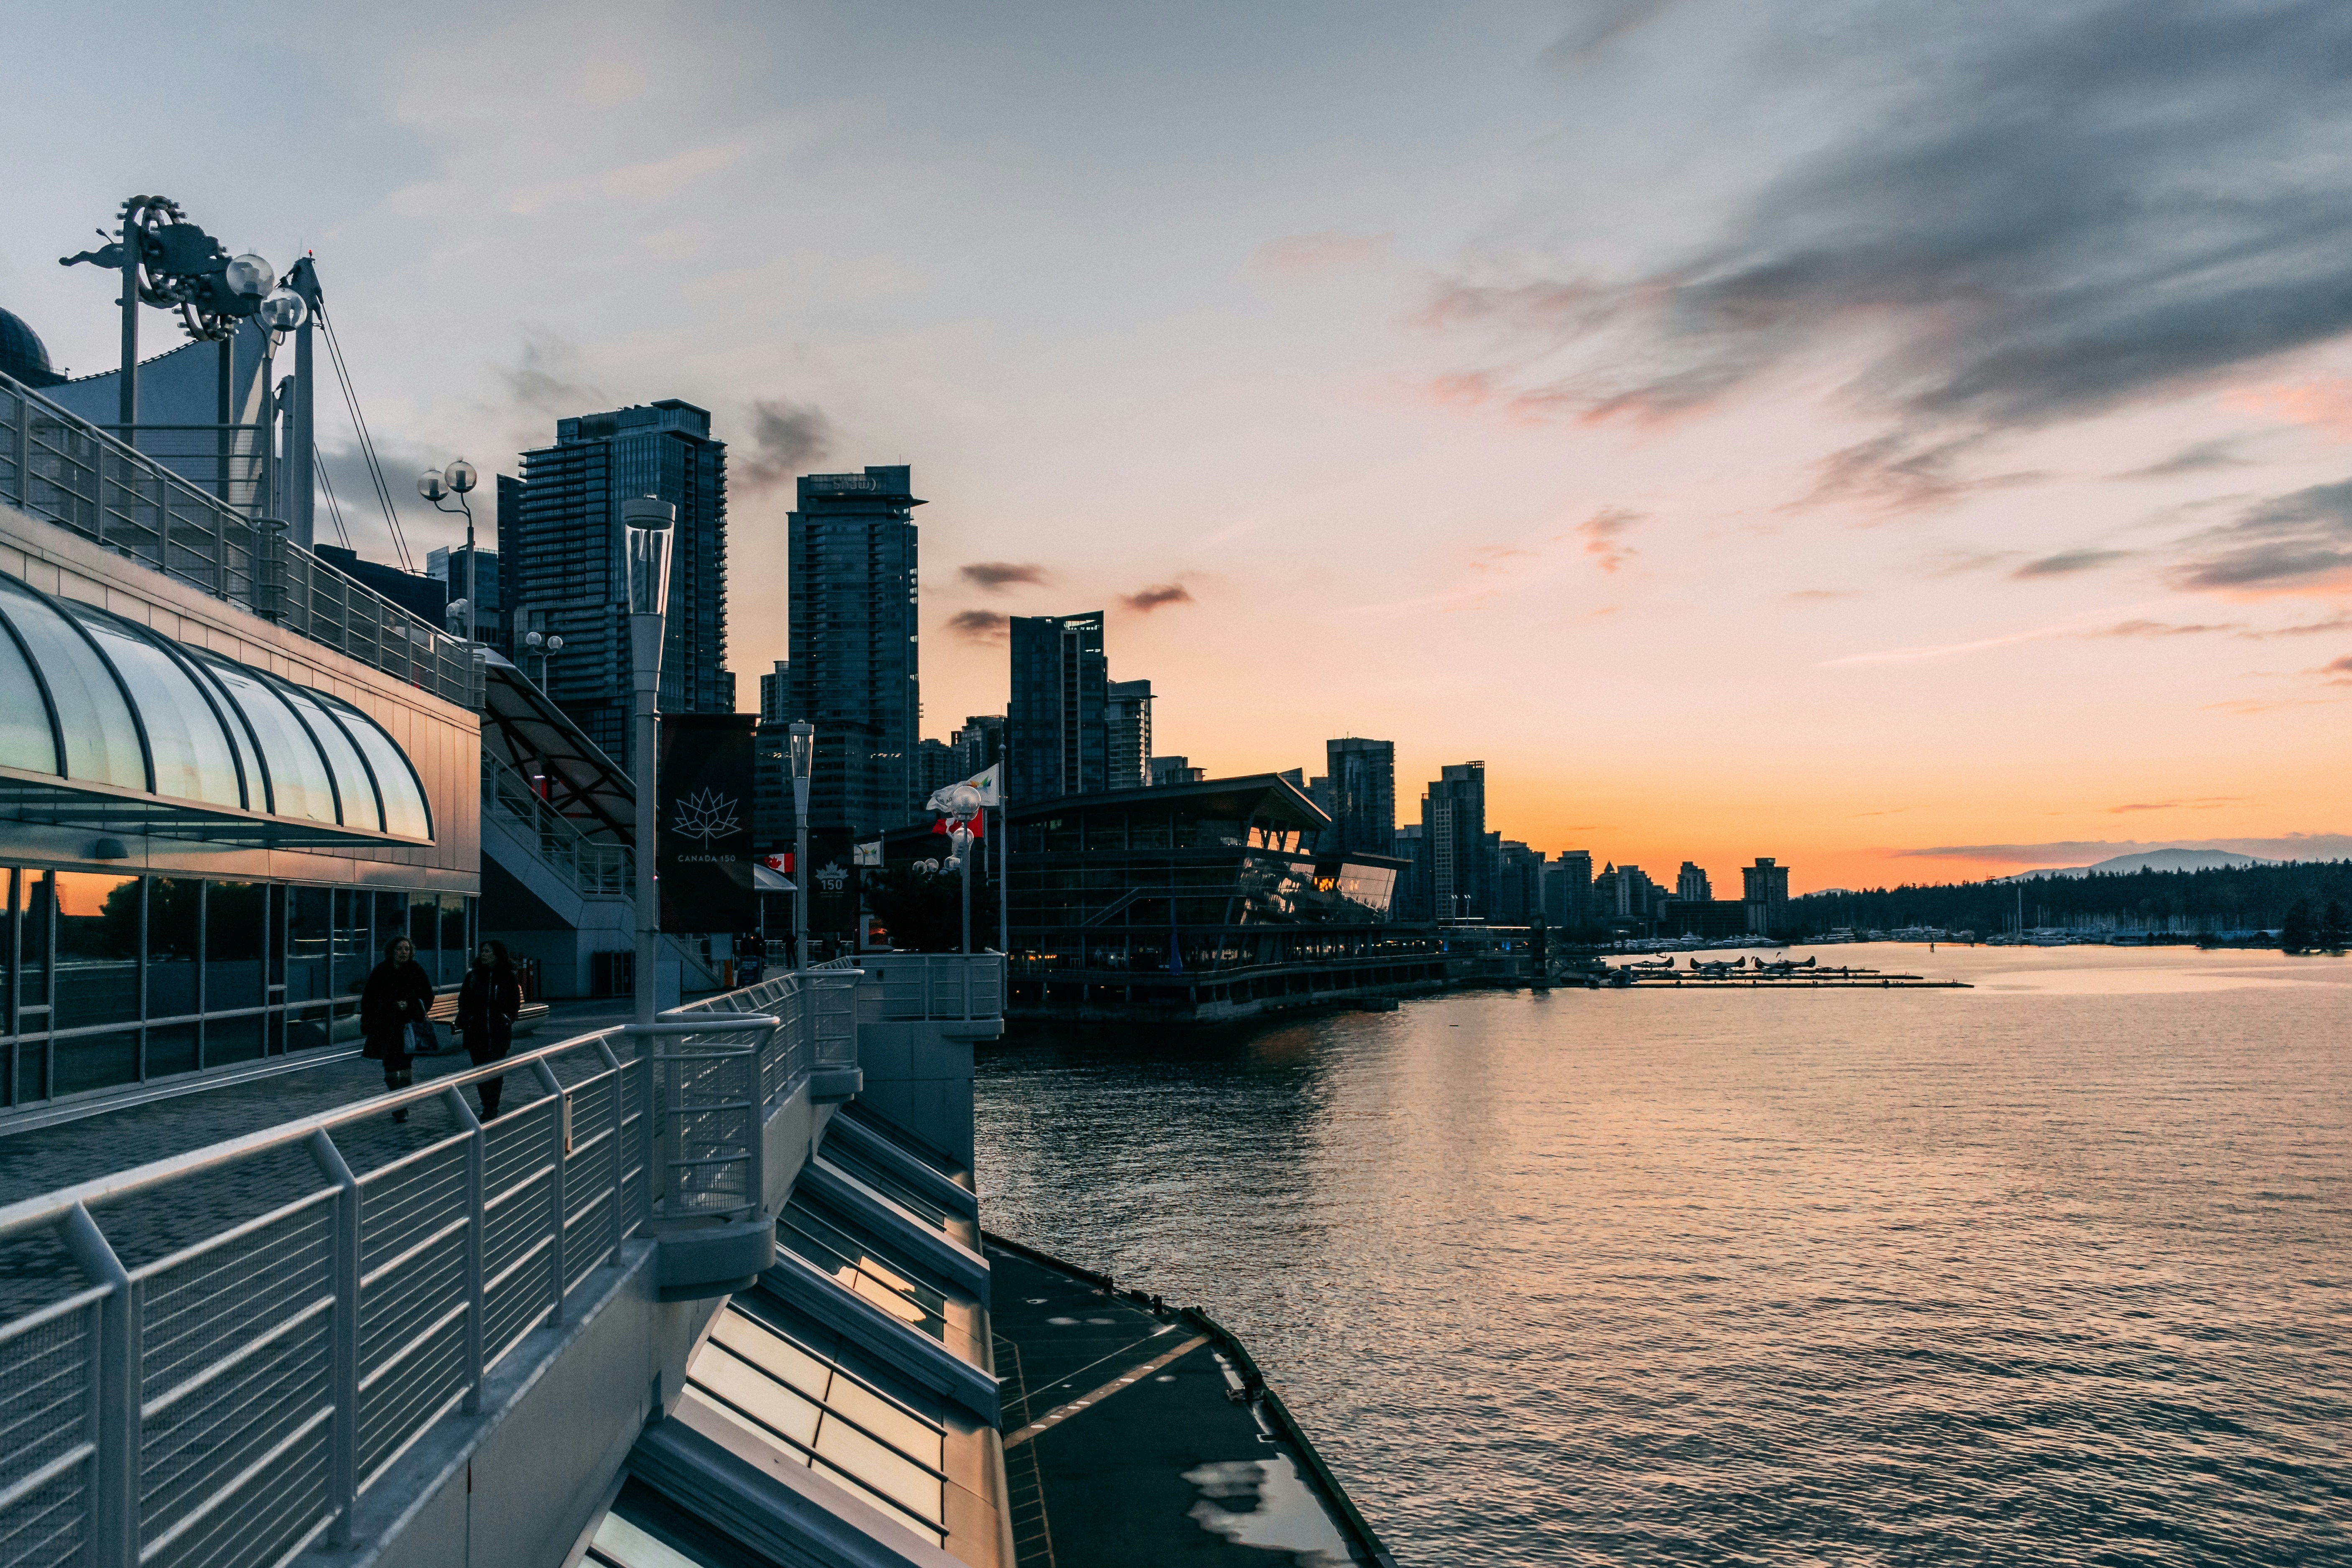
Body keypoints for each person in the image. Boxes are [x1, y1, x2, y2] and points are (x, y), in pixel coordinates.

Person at [361, 934, 436, 1123]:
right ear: (392, 951)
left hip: (406, 1027)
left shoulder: (416, 971)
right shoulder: (381, 971)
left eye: (407, 949)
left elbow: (427, 996)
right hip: (385, 1027)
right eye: (399, 949)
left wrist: (410, 1008)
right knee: (389, 1067)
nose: (403, 953)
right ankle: (397, 1101)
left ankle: (402, 1105)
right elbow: (369, 997)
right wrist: (371, 1020)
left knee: (404, 1065)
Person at [457, 940, 523, 1119]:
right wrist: (470, 1019)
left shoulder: (507, 977)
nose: (483, 954)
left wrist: (507, 1019)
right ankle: (486, 1104)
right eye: (483, 951)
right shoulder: (473, 976)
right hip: (476, 1033)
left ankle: (492, 1107)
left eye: (488, 951)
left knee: (495, 1070)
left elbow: (514, 1003)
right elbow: (464, 1001)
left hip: (499, 1033)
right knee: (480, 1071)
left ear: (497, 954)